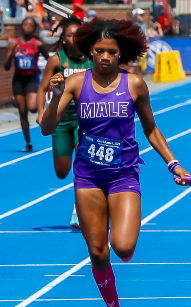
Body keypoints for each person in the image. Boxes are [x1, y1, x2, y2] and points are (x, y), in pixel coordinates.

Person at [40, 18, 191, 307]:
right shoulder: (76, 83)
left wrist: (173, 164)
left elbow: (151, 128)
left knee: (122, 248)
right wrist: (54, 96)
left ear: (121, 53)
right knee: (97, 251)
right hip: (88, 177)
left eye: (112, 51)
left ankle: (122, 232)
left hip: (123, 175)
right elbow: (47, 128)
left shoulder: (134, 84)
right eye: (99, 51)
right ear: (89, 51)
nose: (105, 57)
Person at [37, 16, 93, 228]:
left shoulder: (91, 58)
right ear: (63, 38)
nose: (74, 38)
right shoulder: (56, 60)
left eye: (78, 35)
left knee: (83, 161)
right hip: (60, 119)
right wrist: (41, 111)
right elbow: (42, 89)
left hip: (84, 118)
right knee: (61, 172)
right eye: (70, 35)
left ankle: (79, 209)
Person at [4, 17, 47, 153]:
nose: (28, 26)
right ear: (21, 26)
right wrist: (11, 54)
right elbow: (6, 67)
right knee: (22, 112)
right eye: (25, 24)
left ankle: (28, 102)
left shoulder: (38, 44)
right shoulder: (13, 43)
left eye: (31, 25)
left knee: (32, 108)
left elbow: (49, 60)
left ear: (34, 28)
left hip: (32, 78)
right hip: (18, 79)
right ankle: (28, 143)